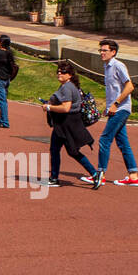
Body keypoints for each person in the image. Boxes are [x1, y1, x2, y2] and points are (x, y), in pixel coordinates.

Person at [42, 59, 100, 188]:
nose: (59, 74)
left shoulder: (67, 88)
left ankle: (56, 178)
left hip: (65, 124)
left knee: (65, 151)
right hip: (67, 124)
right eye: (58, 72)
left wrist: (49, 108)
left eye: (62, 72)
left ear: (70, 74)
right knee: (66, 151)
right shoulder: (69, 86)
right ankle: (55, 177)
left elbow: (66, 108)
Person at [96, 38, 138, 187]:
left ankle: (100, 174)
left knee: (104, 139)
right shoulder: (106, 66)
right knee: (122, 142)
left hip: (121, 109)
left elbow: (129, 87)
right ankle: (133, 176)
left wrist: (115, 104)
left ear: (113, 52)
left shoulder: (118, 65)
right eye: (100, 50)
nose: (101, 53)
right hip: (115, 109)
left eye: (104, 50)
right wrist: (108, 106)